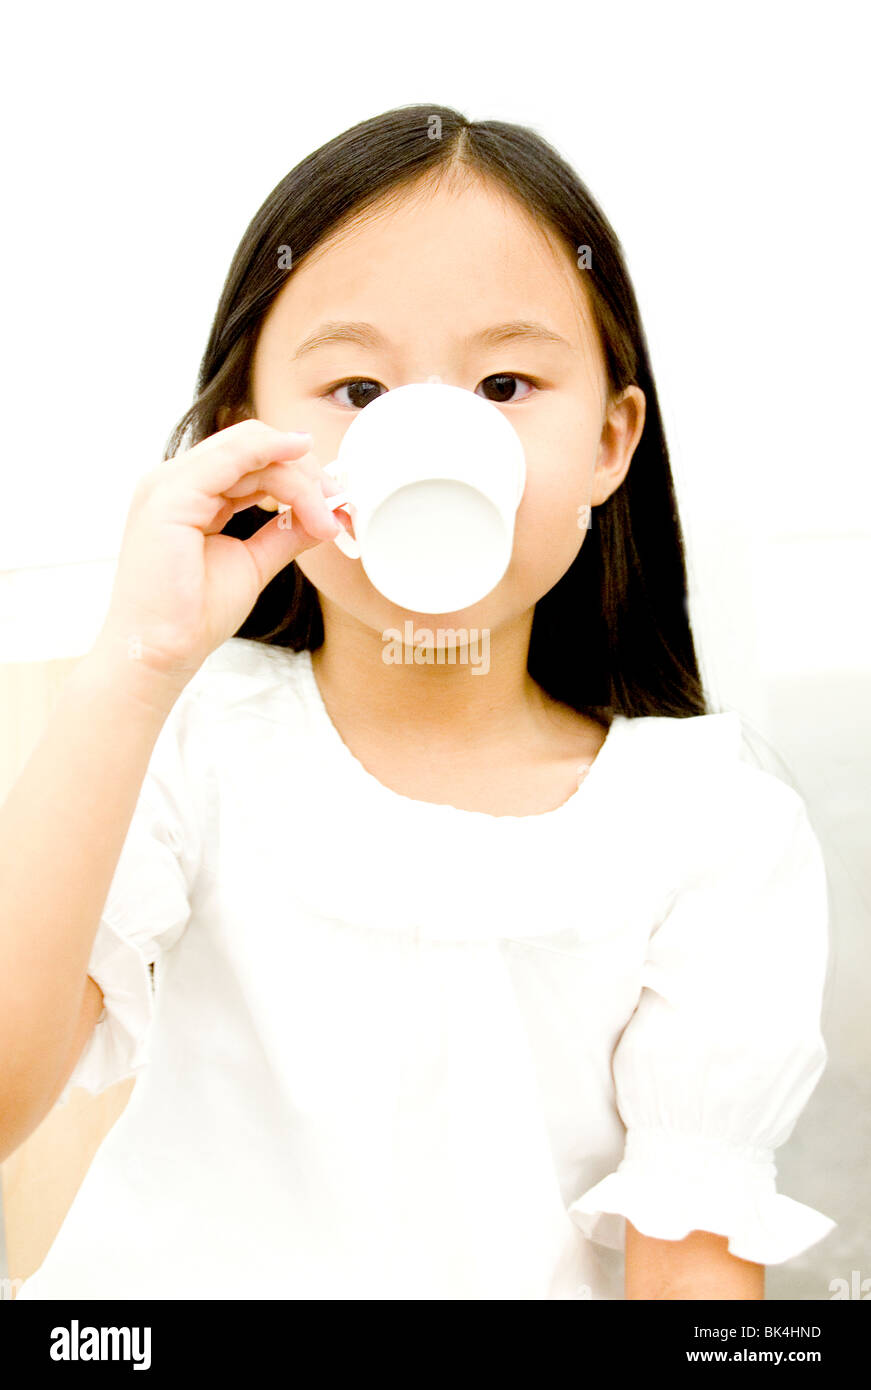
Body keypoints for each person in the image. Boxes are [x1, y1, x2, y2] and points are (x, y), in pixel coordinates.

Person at [2, 104, 835, 1300]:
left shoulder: (709, 825)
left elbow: (691, 1279)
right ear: (252, 433)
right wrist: (135, 666)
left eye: (505, 382)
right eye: (354, 387)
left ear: (610, 442)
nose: (433, 438)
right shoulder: (190, 738)